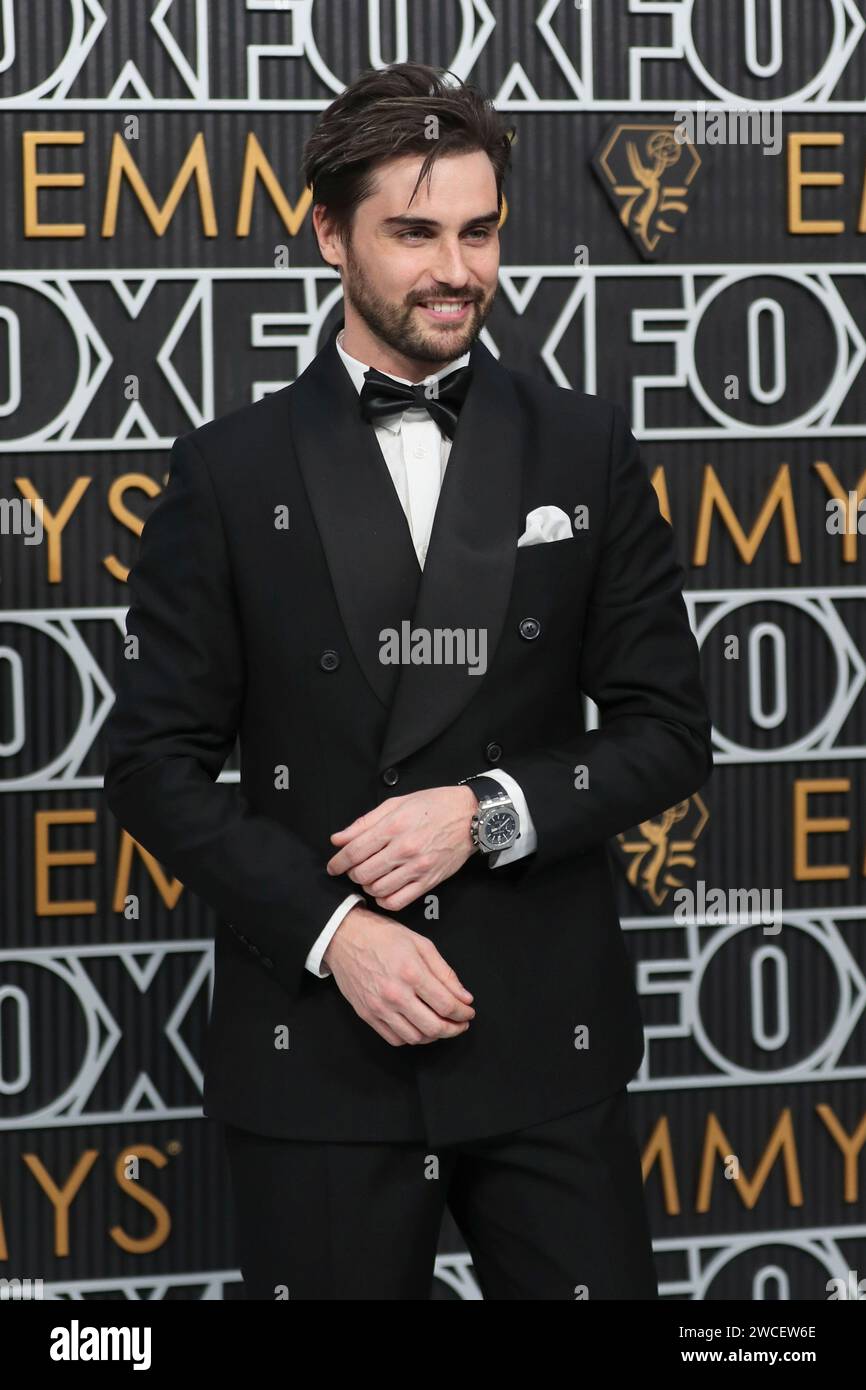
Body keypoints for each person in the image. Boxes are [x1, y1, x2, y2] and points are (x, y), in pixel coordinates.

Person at [103, 61, 713, 1300]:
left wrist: (480, 810)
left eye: (479, 231)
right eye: (414, 231)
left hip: (545, 1040)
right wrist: (334, 934)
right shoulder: (225, 473)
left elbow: (666, 730)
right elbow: (153, 767)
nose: (456, 270)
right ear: (328, 231)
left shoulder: (585, 447)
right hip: (320, 1051)